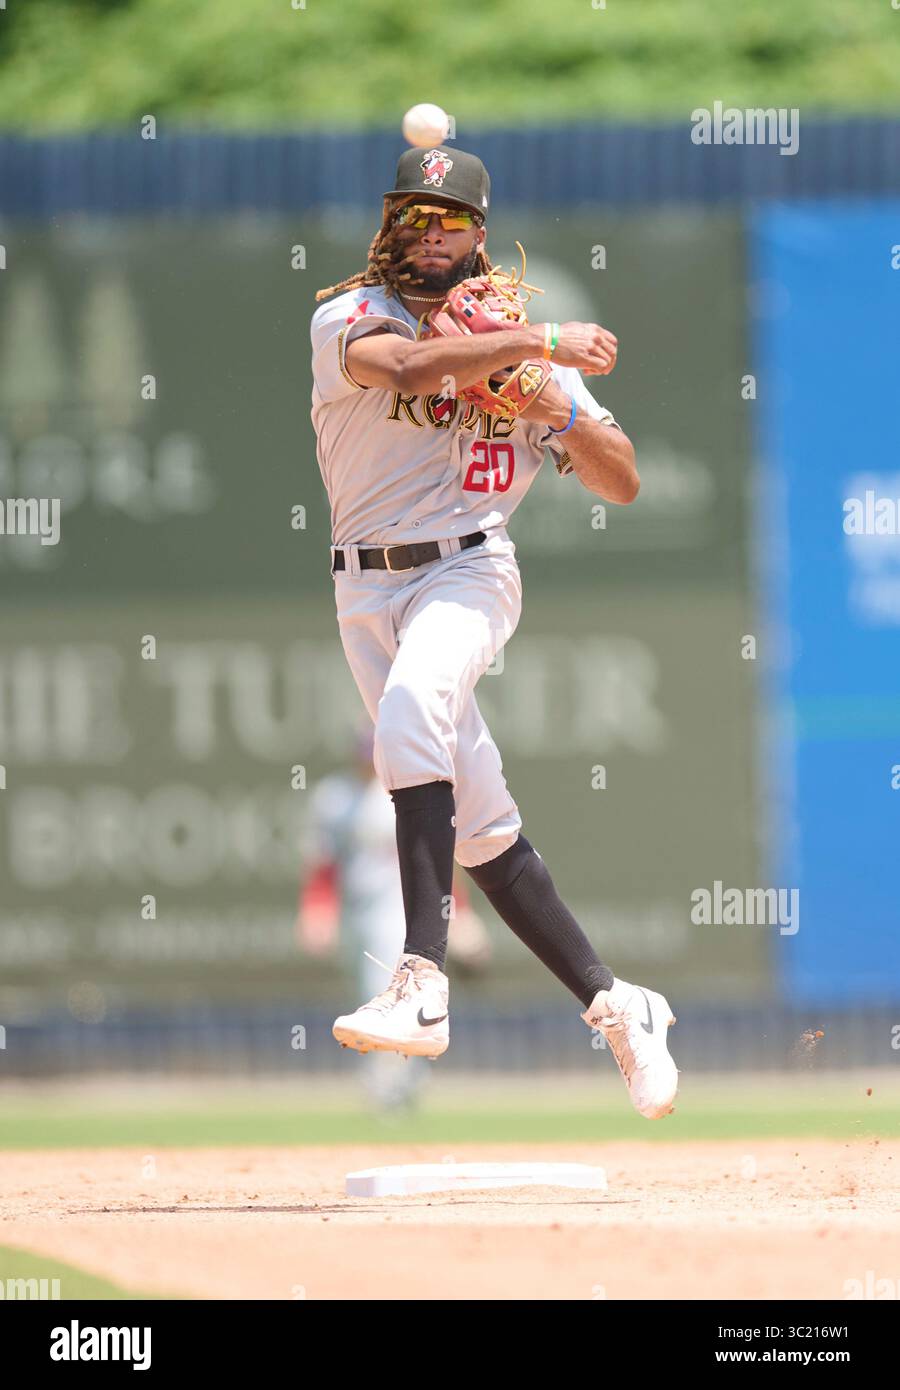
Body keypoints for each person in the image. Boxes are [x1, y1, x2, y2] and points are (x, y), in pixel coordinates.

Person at [309, 144, 678, 1118]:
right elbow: (411, 366)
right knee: (481, 829)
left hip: (469, 568)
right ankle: (619, 1003)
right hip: (364, 590)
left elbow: (621, 478)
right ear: (390, 226)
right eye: (415, 216)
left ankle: (420, 980)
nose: (432, 235)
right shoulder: (349, 318)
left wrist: (556, 404)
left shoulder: (515, 350)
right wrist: (541, 341)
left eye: (453, 221)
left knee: (409, 714)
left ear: (480, 234)